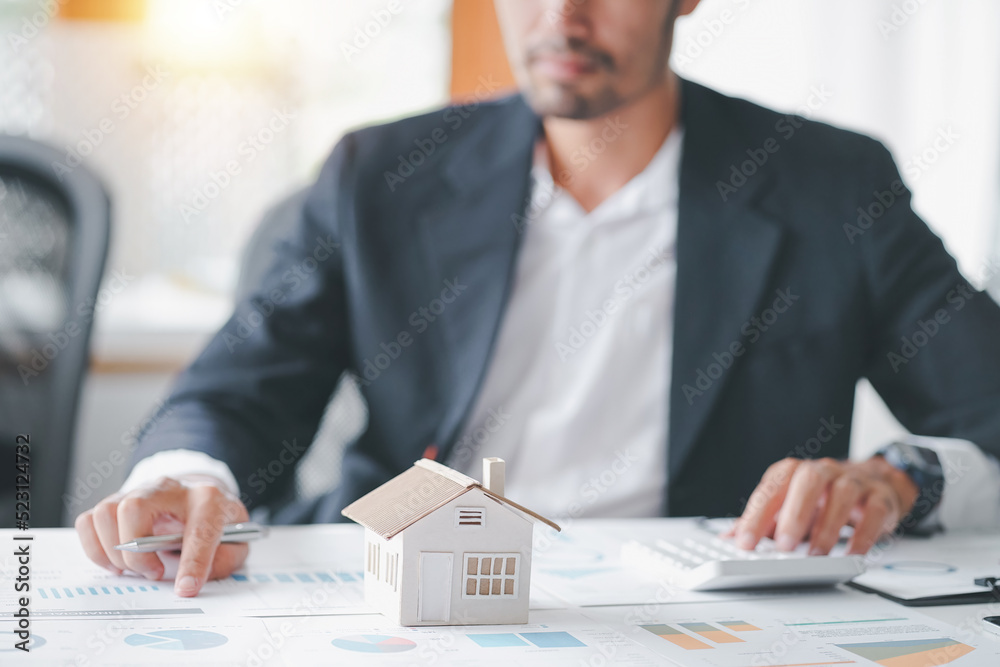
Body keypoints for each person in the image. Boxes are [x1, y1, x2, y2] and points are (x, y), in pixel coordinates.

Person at [75, 0, 1000, 597]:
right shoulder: (380, 173)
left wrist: (899, 477)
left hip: (692, 616)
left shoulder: (829, 185)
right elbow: (236, 388)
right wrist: (186, 481)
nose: (562, 15)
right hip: (413, 595)